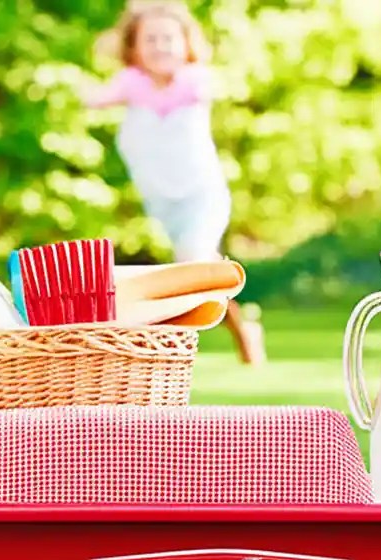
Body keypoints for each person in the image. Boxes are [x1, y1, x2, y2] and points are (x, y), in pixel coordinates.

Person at [77, 0, 265, 365]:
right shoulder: (131, 84)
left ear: (187, 44)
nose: (160, 46)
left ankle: (176, 351)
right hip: (163, 203)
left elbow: (213, 86)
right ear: (133, 48)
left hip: (202, 195)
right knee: (200, 271)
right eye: (150, 39)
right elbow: (97, 99)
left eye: (169, 38)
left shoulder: (194, 80)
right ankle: (243, 329)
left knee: (193, 262)